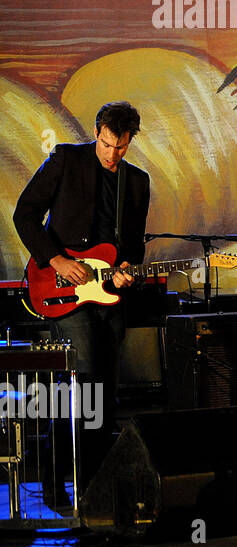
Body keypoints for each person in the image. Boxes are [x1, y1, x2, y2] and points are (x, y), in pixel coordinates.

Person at [13, 101, 149, 506]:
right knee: (81, 384)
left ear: (130, 141)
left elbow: (133, 247)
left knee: (105, 392)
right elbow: (25, 214)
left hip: (107, 293)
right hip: (60, 287)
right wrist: (55, 259)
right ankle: (57, 482)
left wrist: (126, 268)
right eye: (106, 144)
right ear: (97, 132)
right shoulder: (66, 161)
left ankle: (92, 484)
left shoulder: (137, 182)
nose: (112, 154)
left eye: (120, 147)